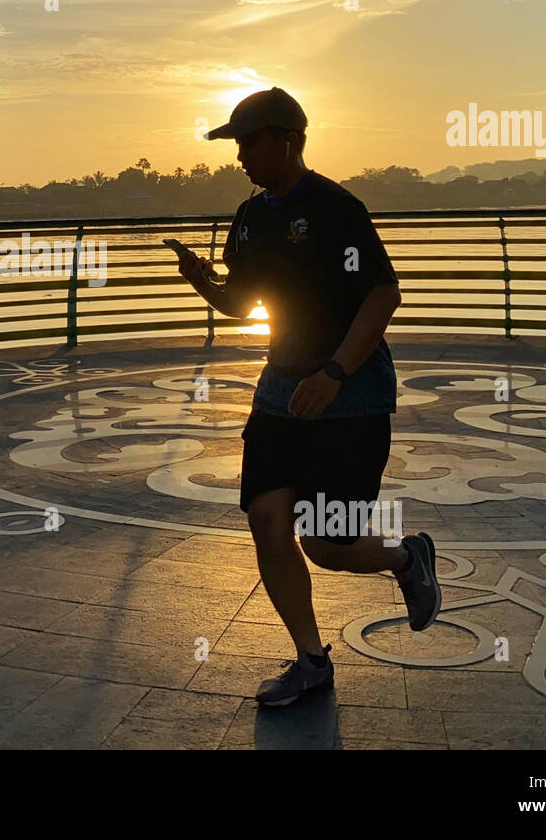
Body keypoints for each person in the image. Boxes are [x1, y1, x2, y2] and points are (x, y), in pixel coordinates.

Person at [177, 87, 440, 707]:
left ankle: (406, 558)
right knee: (268, 519)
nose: (239, 155)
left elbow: (383, 294)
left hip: (351, 393)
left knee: (325, 542)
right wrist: (202, 283)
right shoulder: (249, 216)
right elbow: (243, 305)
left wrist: (334, 373)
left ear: (286, 141)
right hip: (280, 390)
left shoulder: (336, 208)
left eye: (248, 142)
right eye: (235, 144)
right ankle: (311, 661)